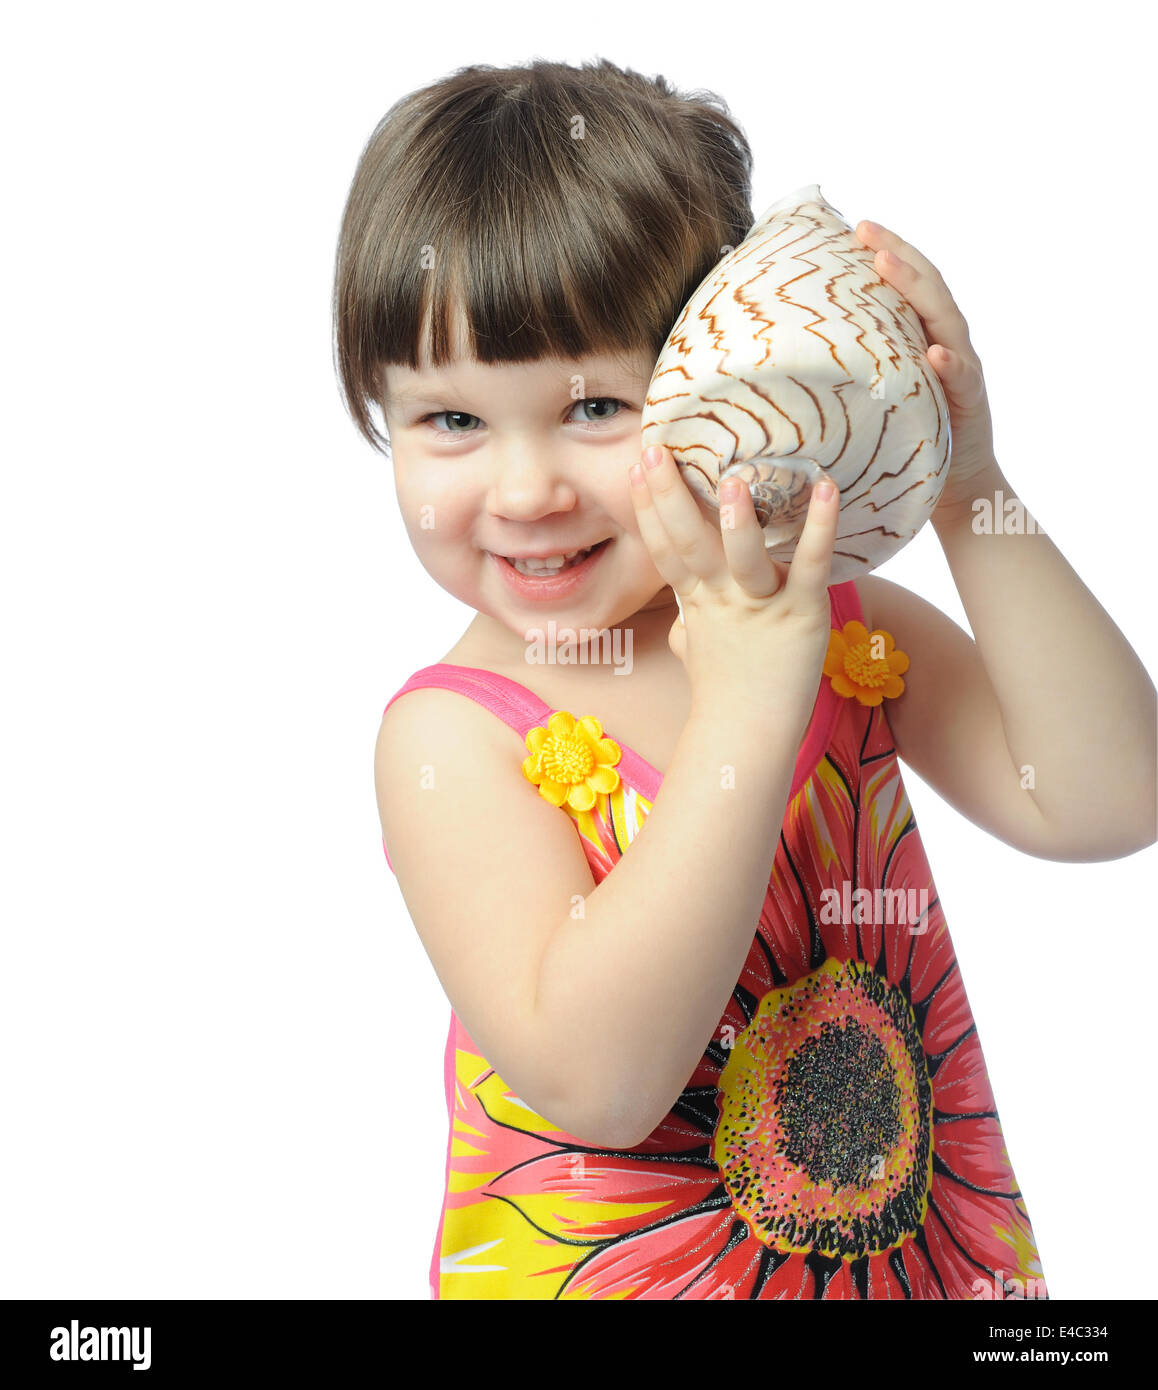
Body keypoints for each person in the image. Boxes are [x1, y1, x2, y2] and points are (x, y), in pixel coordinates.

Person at [332, 59, 1157, 1300]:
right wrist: (749, 712)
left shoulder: (827, 622)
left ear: (721, 380)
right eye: (451, 422)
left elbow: (1106, 797)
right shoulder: (454, 743)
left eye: (596, 405)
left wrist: (962, 482)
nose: (523, 489)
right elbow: (601, 1081)